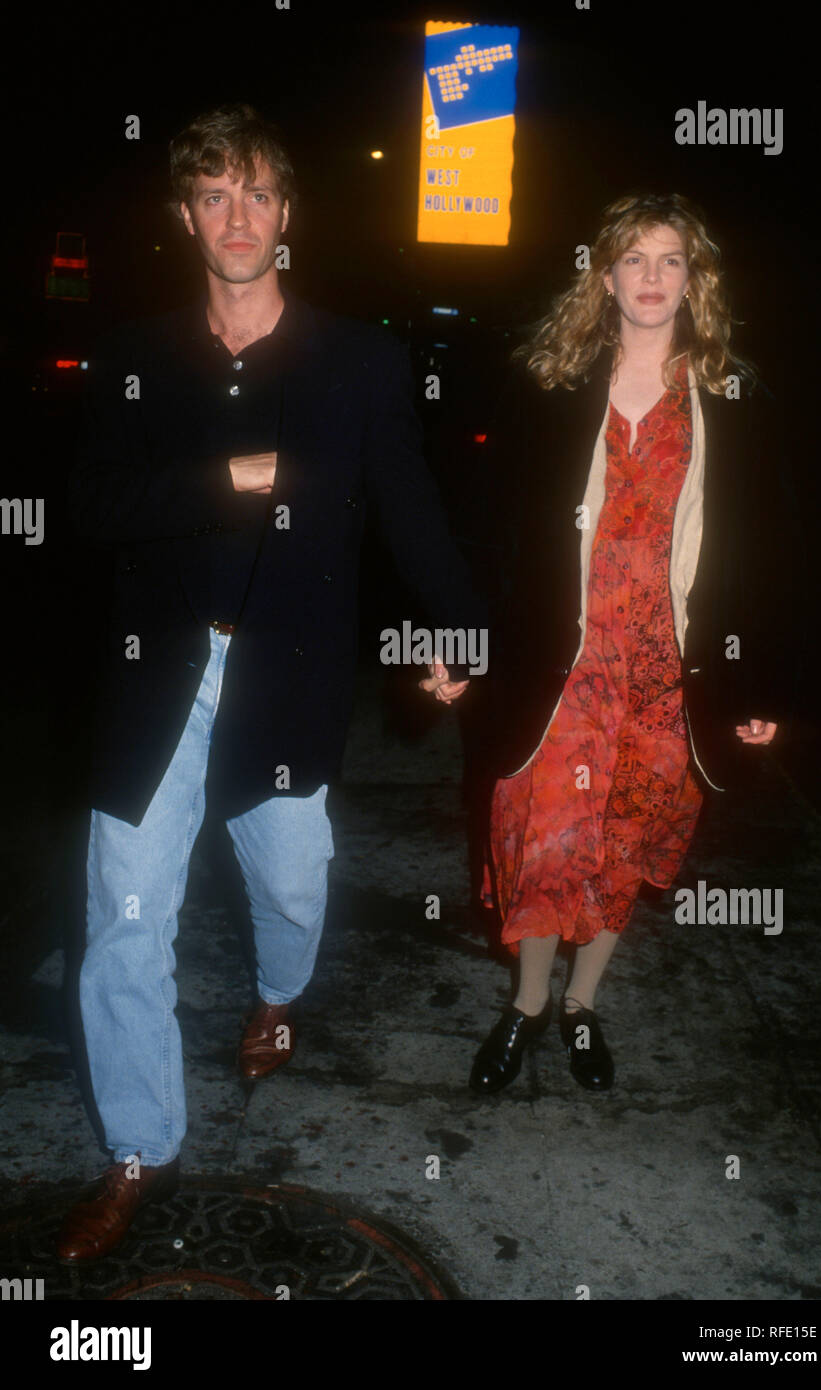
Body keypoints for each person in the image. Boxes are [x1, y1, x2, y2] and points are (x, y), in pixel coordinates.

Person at [57, 103, 480, 1262]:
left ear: (286, 214)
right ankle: (139, 1149)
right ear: (185, 217)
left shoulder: (358, 362)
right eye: (212, 194)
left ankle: (277, 996)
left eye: (256, 193)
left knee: (293, 886)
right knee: (122, 922)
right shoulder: (135, 360)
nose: (236, 215)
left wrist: (459, 628)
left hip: (286, 678)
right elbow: (87, 510)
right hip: (156, 680)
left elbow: (410, 510)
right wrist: (219, 476)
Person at [468, 192, 794, 1097]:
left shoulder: (733, 391)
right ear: (602, 274)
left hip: (668, 665)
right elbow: (489, 530)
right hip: (561, 662)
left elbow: (769, 550)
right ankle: (527, 1005)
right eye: (633, 260)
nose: (651, 278)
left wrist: (762, 684)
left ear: (694, 279)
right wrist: (458, 649)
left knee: (622, 843)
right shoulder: (550, 378)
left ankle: (582, 1005)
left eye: (670, 261)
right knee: (542, 838)